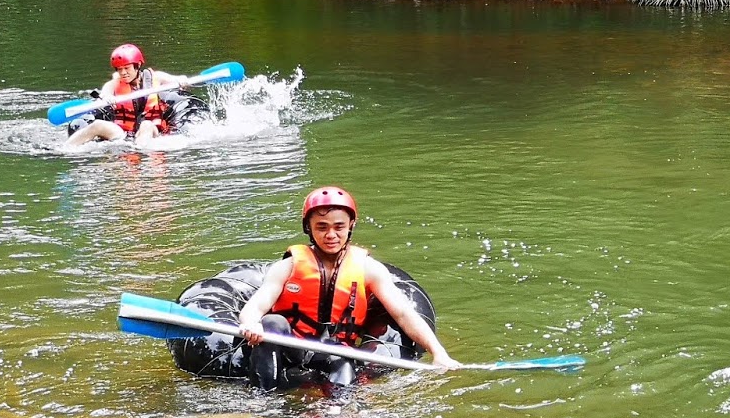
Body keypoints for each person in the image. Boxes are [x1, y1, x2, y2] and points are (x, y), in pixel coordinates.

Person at [237, 186, 460, 389]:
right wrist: (251, 324)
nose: (331, 235)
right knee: (271, 323)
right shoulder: (287, 267)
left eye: (339, 227)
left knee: (343, 362)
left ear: (350, 226)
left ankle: (337, 416)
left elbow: (403, 314)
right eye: (321, 227)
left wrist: (438, 352)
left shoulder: (369, 269)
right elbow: (254, 307)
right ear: (309, 228)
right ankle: (263, 404)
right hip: (291, 347)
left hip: (334, 351)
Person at [65, 44, 188, 147]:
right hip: (124, 133)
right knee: (97, 125)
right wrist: (108, 97)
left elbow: (177, 79)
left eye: (127, 68)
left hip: (153, 130)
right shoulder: (114, 83)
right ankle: (64, 149)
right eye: (119, 69)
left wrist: (182, 80)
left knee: (146, 125)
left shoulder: (157, 77)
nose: (123, 73)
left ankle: (139, 151)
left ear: (138, 65)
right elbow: (106, 92)